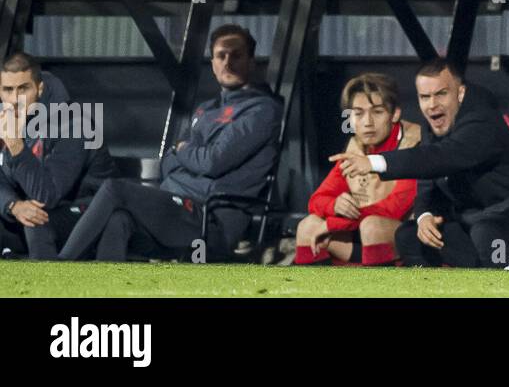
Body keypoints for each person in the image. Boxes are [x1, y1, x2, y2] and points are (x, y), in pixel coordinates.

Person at [60, 25, 283, 262]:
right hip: (176, 207)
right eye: (221, 56)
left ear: (251, 61)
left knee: (115, 189)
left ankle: (59, 266)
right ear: (214, 64)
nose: (227, 62)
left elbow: (213, 162)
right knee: (119, 220)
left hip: (210, 217)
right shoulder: (205, 110)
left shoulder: (261, 110)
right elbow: (168, 162)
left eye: (236, 55)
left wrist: (184, 152)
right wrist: (186, 156)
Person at [337, 59, 509, 268]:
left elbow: (442, 156)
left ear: (460, 93)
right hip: (478, 224)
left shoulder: (481, 121)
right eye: (424, 97)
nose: (432, 105)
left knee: (485, 231)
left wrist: (375, 162)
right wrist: (425, 217)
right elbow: (426, 186)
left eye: (441, 94)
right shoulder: (433, 128)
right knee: (410, 236)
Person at [294, 73, 421, 267]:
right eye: (358, 113)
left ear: (394, 114)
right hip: (361, 233)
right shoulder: (356, 146)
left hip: (408, 238)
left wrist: (332, 224)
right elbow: (317, 200)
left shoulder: (414, 144)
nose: (367, 122)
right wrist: (334, 206)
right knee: (307, 226)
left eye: (377, 112)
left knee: (372, 227)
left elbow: (393, 209)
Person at [0, 53, 115, 260]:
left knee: (35, 220)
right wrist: (13, 205)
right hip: (34, 207)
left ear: (39, 88)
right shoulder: (8, 119)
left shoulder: (73, 122)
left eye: (23, 89)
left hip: (90, 213)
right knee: (24, 214)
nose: (14, 100)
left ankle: (46, 286)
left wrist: (15, 145)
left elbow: (48, 195)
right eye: (7, 90)